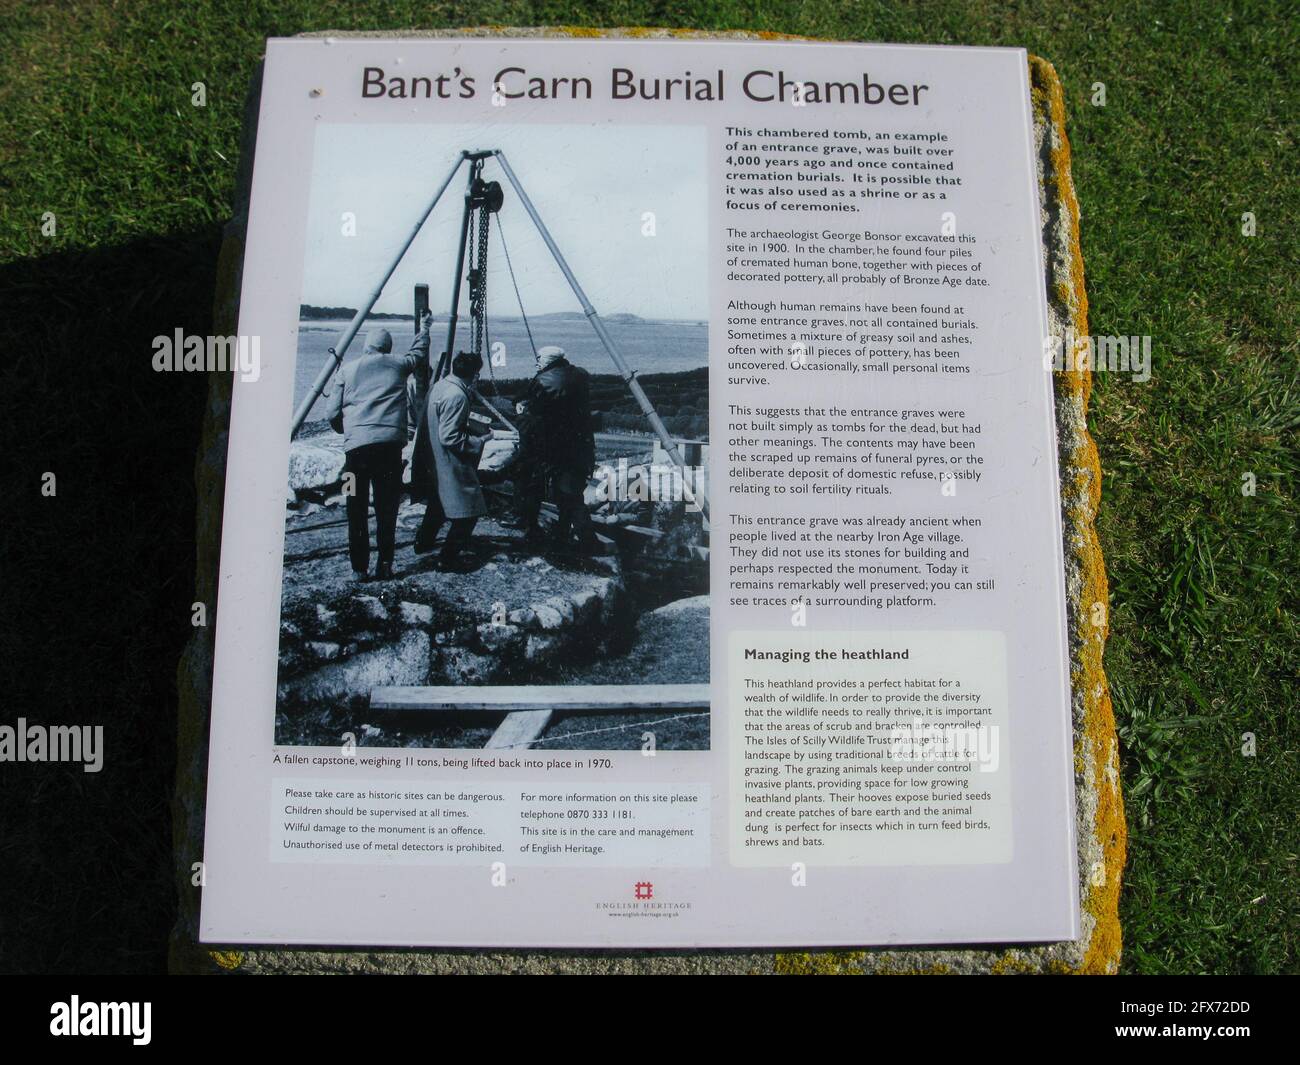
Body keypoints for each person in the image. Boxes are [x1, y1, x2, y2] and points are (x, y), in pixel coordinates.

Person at [325, 318, 430, 581]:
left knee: (355, 508)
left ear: (366, 346)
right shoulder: (398, 365)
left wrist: (347, 430)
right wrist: (425, 328)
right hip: (389, 451)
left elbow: (332, 413)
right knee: (387, 509)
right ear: (388, 347)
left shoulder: (347, 371)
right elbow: (418, 353)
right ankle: (385, 564)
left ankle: (359, 569)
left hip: (355, 454)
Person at [514, 345, 598, 551]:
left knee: (532, 487)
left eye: (539, 358)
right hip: (577, 447)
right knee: (570, 495)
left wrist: (520, 413)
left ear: (549, 360)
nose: (537, 362)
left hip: (549, 448)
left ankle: (531, 530)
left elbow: (532, 416)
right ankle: (572, 536)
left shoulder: (543, 381)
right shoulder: (580, 375)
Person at [414, 350, 489, 570]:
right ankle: (447, 559)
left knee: (438, 503)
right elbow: (449, 437)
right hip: (450, 461)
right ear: (474, 374)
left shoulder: (440, 385)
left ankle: (423, 541)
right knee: (470, 511)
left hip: (433, 457)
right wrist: (479, 440)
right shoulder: (457, 395)